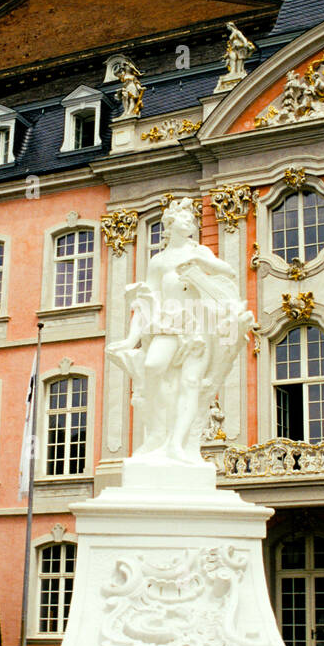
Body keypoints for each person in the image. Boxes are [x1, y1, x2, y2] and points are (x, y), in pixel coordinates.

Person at [108, 199, 254, 464]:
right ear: (171, 224)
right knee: (152, 366)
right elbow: (145, 301)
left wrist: (201, 262)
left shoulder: (198, 251)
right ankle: (157, 433)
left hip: (197, 328)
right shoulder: (159, 261)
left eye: (193, 219)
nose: (192, 223)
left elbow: (229, 273)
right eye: (186, 219)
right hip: (168, 323)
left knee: (190, 385)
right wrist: (131, 339)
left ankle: (178, 444)